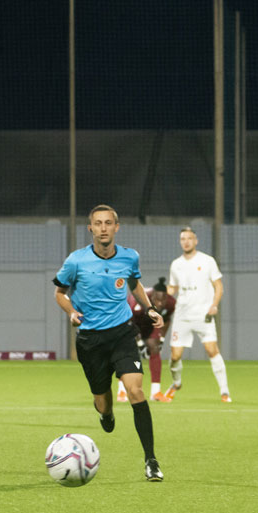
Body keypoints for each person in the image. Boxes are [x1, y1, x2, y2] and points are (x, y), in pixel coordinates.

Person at [53, 204, 164, 482]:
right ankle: (106, 413)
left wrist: (149, 308)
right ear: (90, 228)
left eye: (108, 223)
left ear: (116, 227)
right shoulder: (76, 261)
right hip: (90, 341)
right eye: (98, 223)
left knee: (136, 390)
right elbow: (59, 292)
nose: (103, 228)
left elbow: (134, 283)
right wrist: (71, 312)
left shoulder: (129, 257)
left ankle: (151, 460)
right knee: (102, 401)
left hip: (122, 334)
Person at [164, 227, 231, 402]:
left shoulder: (207, 261)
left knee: (212, 349)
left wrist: (214, 305)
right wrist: (160, 293)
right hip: (182, 315)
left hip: (203, 314)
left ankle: (224, 391)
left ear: (196, 240)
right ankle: (176, 383)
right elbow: (172, 288)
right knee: (175, 356)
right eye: (182, 239)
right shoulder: (176, 264)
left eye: (189, 238)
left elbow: (219, 286)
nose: (186, 241)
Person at [117, 277, 177, 403]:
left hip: (150, 324)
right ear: (152, 296)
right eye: (157, 300)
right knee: (127, 353)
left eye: (163, 300)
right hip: (127, 321)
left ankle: (155, 392)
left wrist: (161, 339)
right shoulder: (137, 303)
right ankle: (122, 390)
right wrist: (139, 344)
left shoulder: (171, 303)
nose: (160, 303)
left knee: (155, 349)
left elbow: (166, 320)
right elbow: (129, 322)